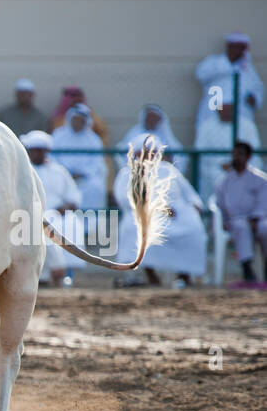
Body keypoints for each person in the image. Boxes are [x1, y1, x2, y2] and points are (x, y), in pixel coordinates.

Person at [112, 138, 206, 286]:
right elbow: (125, 199)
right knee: (137, 229)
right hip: (145, 213)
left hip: (177, 214)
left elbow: (190, 194)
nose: (149, 156)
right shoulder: (127, 173)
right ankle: (151, 274)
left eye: (153, 152)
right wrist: (157, 207)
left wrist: (195, 205)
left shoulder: (168, 169)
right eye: (145, 152)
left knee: (192, 227)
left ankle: (184, 274)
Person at [22, 131, 83, 287]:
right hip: (28, 214)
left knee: (71, 224)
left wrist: (66, 206)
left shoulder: (59, 171)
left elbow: (74, 197)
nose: (37, 153)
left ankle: (65, 272)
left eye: (40, 150)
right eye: (34, 150)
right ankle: (44, 275)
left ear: (46, 151)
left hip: (57, 214)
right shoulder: (23, 171)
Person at [214, 141, 267, 283]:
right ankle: (247, 269)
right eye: (234, 154)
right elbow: (220, 205)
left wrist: (255, 218)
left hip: (258, 219)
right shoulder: (224, 181)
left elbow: (263, 201)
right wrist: (224, 220)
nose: (236, 158)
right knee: (241, 227)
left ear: (248, 157)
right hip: (235, 220)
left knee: (265, 229)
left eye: (240, 155)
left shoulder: (259, 179)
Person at [194, 33, 263, 138]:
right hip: (214, 109)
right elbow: (200, 74)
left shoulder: (248, 69)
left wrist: (254, 98)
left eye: (241, 48)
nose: (239, 51)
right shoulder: (214, 62)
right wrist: (228, 64)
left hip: (240, 112)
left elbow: (257, 89)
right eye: (236, 47)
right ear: (229, 47)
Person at [51, 104, 107, 211]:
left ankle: (90, 224)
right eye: (75, 120)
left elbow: (97, 163)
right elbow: (52, 157)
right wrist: (66, 172)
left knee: (96, 187)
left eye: (80, 120)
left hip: (85, 177)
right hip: (62, 175)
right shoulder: (59, 135)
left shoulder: (93, 140)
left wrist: (81, 173)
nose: (77, 123)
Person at [118, 104, 186, 173]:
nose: (151, 120)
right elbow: (124, 152)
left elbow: (178, 157)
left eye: (154, 117)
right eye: (149, 117)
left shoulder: (166, 135)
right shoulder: (135, 133)